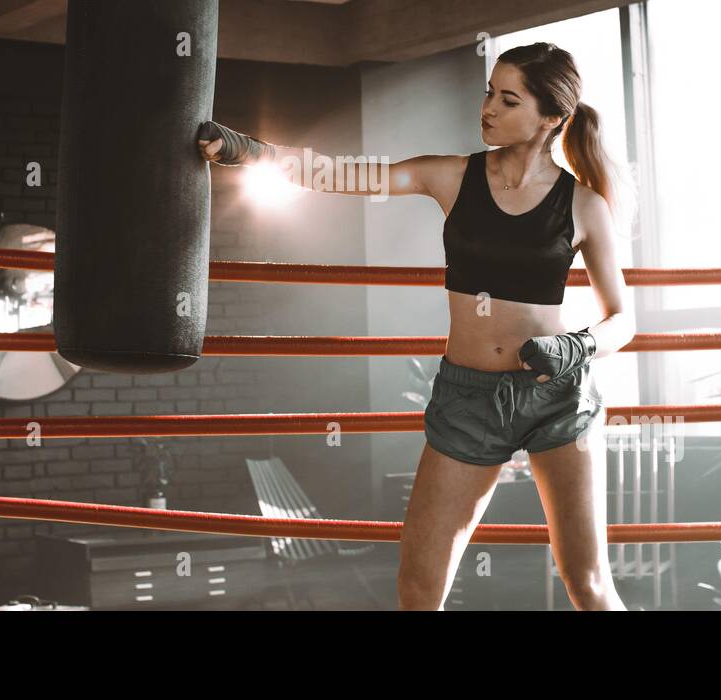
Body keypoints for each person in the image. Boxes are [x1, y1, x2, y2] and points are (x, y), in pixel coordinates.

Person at [196, 41, 638, 611]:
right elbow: (346, 175)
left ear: (551, 117)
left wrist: (575, 346)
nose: (488, 108)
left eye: (507, 100)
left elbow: (622, 320)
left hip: (556, 396)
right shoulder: (452, 177)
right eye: (488, 92)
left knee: (589, 585)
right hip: (468, 399)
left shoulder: (581, 204)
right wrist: (252, 151)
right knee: (419, 585)